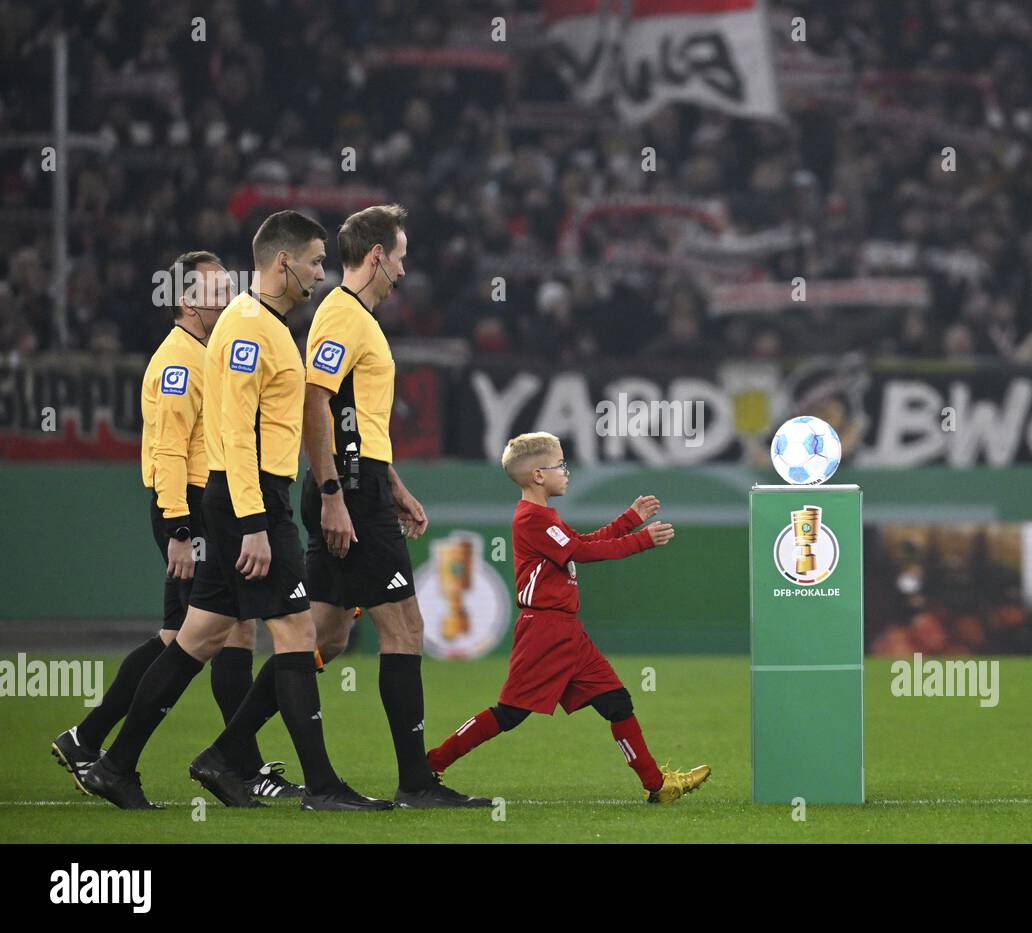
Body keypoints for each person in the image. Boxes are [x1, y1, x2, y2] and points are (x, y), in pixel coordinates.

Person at [80, 211, 389, 811]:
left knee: (197, 637)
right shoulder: (249, 329)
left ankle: (115, 764)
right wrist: (253, 523)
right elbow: (235, 433)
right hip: (251, 499)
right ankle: (317, 785)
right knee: (297, 635)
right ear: (284, 262)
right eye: (316, 261)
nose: (321, 274)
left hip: (241, 498)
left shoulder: (260, 324)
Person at [52, 250, 302, 800]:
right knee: (199, 635)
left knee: (214, 632)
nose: (229, 297)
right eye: (215, 291)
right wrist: (180, 531)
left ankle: (95, 742)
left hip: (203, 506)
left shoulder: (206, 353)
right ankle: (113, 746)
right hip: (188, 509)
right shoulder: (178, 363)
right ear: (188, 302)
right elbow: (166, 451)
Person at [300, 204, 489, 808]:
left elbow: (357, 421)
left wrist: (394, 484)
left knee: (322, 639)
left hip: (359, 484)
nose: (404, 272)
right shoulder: (343, 314)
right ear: (377, 255)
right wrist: (334, 494)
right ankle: (415, 783)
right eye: (401, 258)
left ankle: (227, 754)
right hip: (347, 493)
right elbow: (314, 403)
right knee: (405, 628)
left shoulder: (353, 317)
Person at [423, 432, 711, 804]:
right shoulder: (532, 519)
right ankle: (431, 763)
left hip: (566, 630)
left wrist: (629, 520)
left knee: (616, 702)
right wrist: (642, 539)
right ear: (539, 475)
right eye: (560, 464)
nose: (566, 470)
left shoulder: (544, 516)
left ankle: (658, 786)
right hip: (544, 630)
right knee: (510, 713)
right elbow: (582, 551)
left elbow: (582, 544)